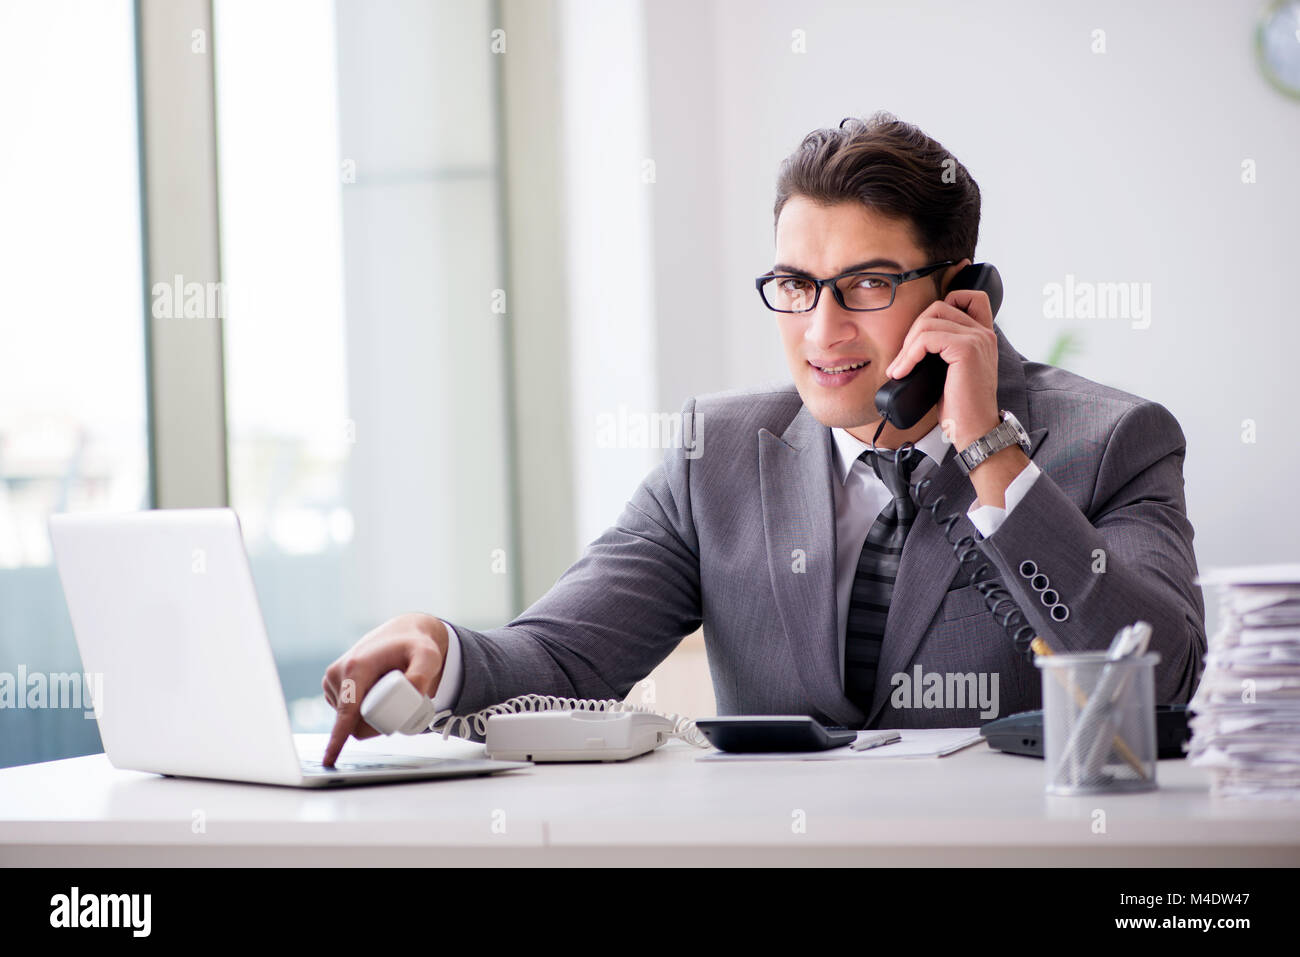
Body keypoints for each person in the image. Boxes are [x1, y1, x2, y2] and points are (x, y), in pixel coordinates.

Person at [321, 112, 1206, 764]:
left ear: (961, 291)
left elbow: (1159, 677)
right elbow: (565, 656)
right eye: (795, 283)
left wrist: (991, 458)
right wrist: (442, 653)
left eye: (865, 284)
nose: (821, 331)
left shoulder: (1112, 441)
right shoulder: (720, 452)